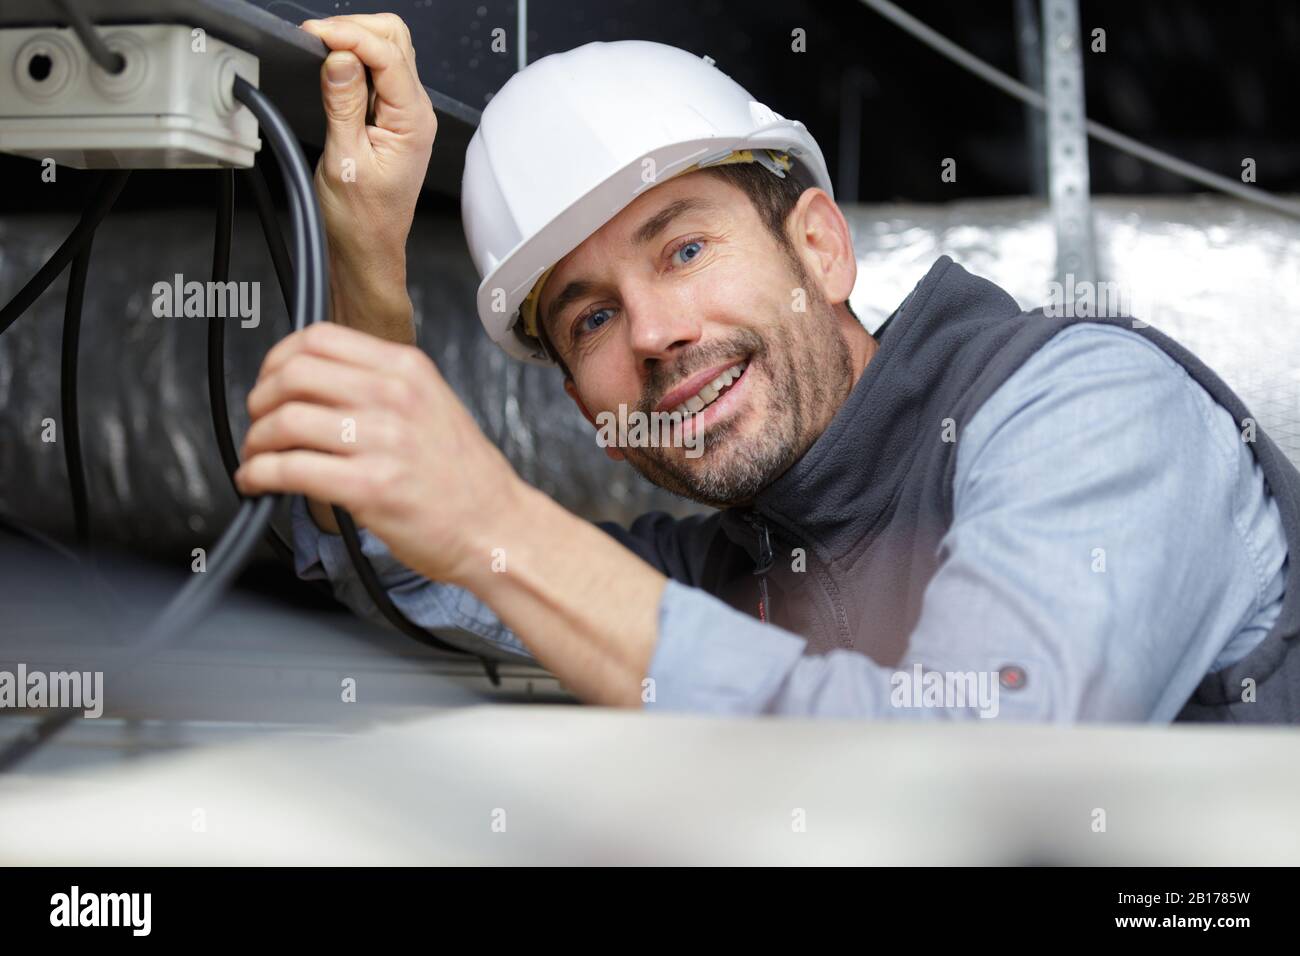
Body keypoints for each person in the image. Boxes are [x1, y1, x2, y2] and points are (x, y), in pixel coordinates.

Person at [235, 13, 1300, 721]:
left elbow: (981, 780)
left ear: (822, 248)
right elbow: (401, 563)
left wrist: (501, 523)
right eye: (592, 315)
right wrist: (368, 257)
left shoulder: (1088, 408)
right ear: (580, 400)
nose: (651, 333)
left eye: (684, 247)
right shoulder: (736, 569)